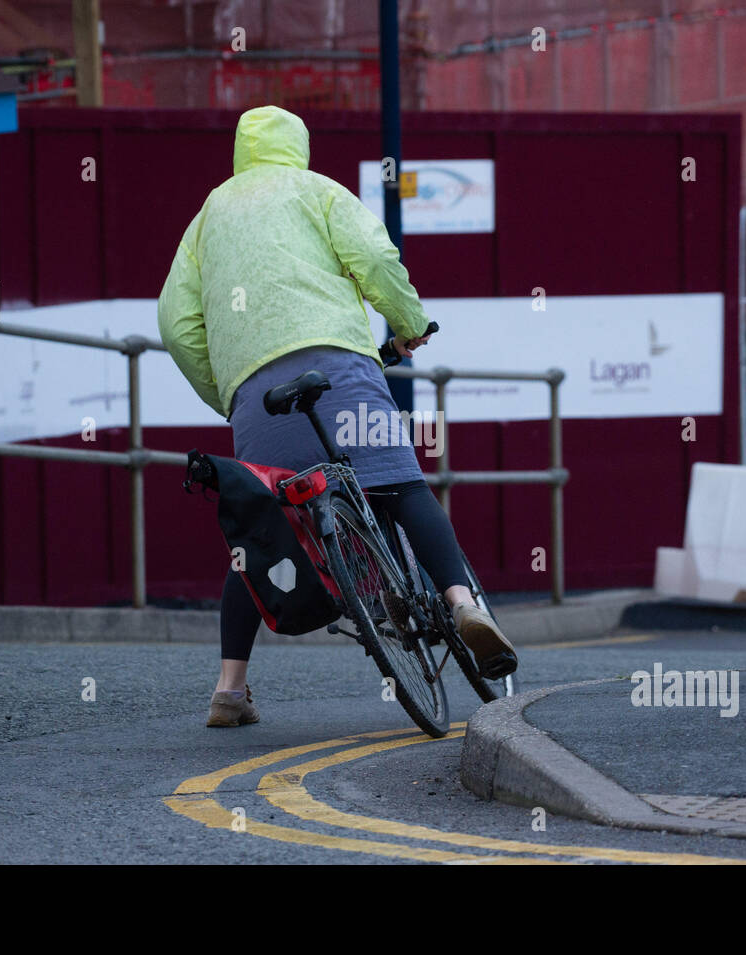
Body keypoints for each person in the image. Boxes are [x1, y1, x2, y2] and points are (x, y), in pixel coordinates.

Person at [158, 105, 517, 728]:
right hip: (338, 372)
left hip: (257, 398)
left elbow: (176, 322)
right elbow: (374, 258)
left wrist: (231, 394)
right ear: (298, 147)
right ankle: (462, 603)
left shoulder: (206, 218)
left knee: (262, 526)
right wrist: (407, 325)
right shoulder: (318, 190)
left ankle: (229, 689)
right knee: (403, 486)